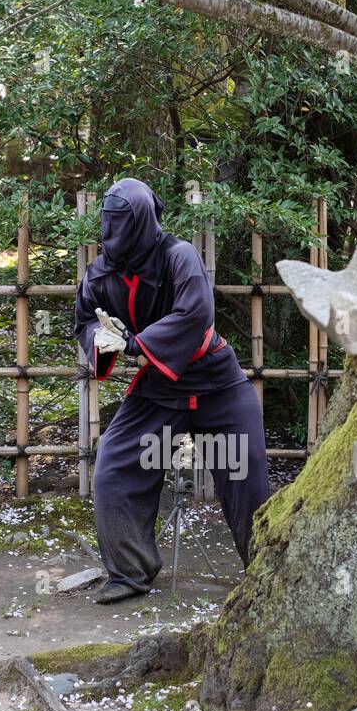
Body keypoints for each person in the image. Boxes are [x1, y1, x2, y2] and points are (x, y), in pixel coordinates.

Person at [74, 177, 270, 604]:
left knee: (245, 475)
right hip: (158, 390)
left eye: (122, 223)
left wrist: (138, 344)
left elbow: (194, 312)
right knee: (115, 465)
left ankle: (267, 574)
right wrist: (101, 341)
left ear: (142, 221)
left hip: (216, 383)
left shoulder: (178, 256)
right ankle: (129, 572)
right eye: (108, 223)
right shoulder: (101, 272)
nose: (113, 233)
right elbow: (86, 318)